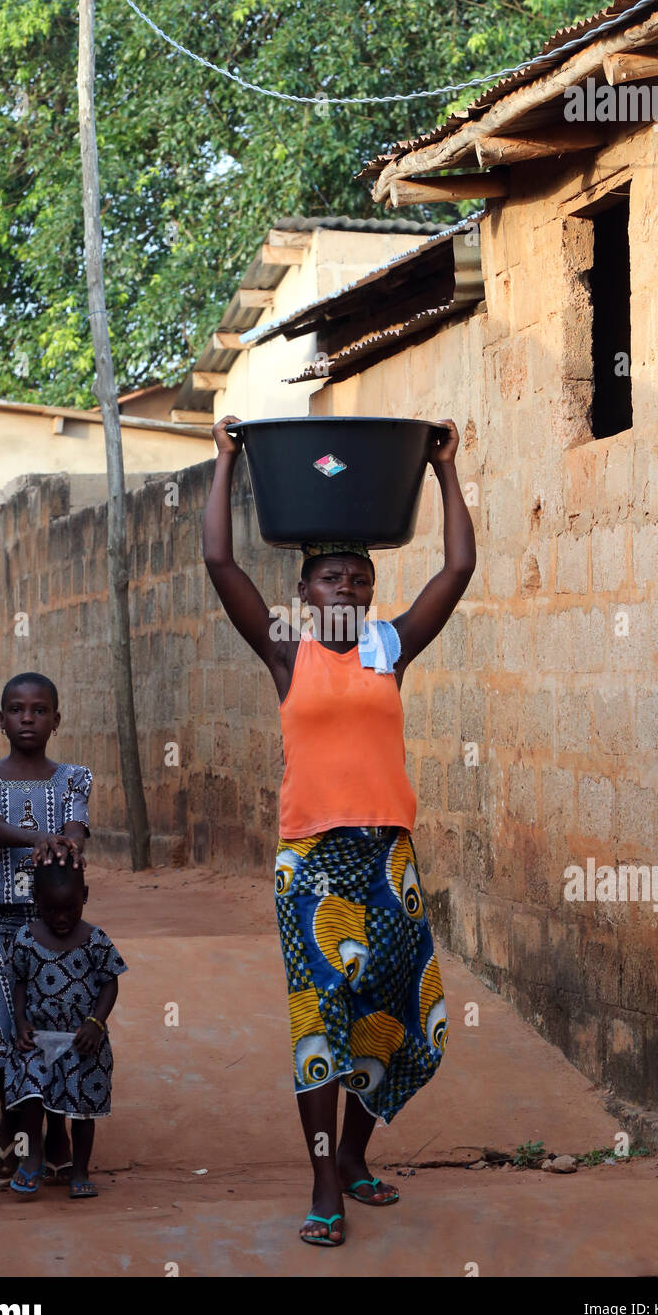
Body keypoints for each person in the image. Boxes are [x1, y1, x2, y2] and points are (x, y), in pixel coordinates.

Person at [203, 414, 476, 1246]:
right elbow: (220, 560)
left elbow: (457, 567)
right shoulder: (287, 653)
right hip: (312, 860)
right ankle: (323, 1176)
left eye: (359, 579)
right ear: (302, 595)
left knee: (395, 1008)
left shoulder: (390, 647)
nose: (349, 590)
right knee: (320, 1016)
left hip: (387, 854)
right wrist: (225, 463)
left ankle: (355, 1154)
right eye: (331, 579)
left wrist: (444, 471)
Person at [0, 673, 92, 1183]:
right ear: (1, 720)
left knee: (53, 1027)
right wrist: (44, 838)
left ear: (56, 720)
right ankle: (21, 1125)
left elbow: (77, 828)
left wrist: (68, 840)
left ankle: (46, 1134)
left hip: (54, 928)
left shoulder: (74, 778)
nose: (28, 719)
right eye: (17, 710)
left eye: (39, 710)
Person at [4, 856, 127, 1198]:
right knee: (31, 1094)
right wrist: (20, 1021)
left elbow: (110, 982)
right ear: (37, 902)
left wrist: (95, 1023)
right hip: (38, 1039)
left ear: (84, 895)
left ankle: (80, 1170)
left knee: (82, 1109)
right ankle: (31, 1159)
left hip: (82, 1041)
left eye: (70, 909)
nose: (61, 918)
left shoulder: (96, 939)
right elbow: (19, 985)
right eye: (51, 910)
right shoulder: (26, 939)